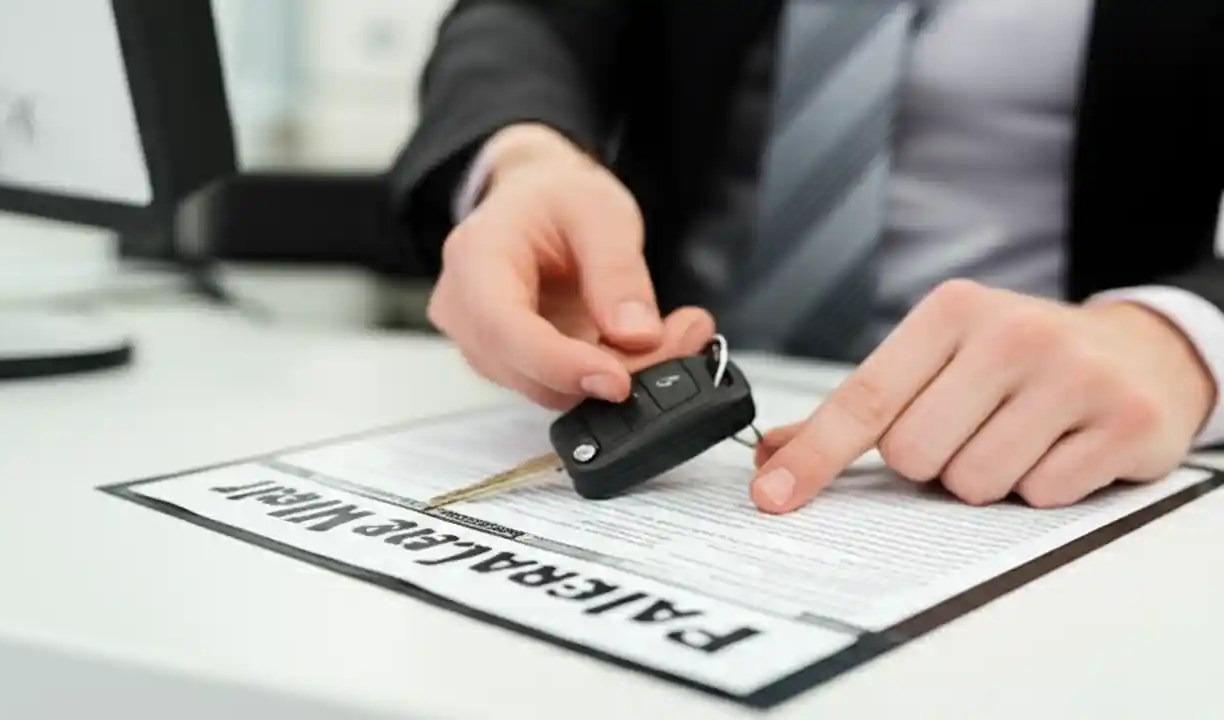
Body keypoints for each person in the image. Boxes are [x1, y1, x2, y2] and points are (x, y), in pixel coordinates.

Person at [387, 0, 1223, 514]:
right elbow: (528, 17)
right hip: (659, 358)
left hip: (1038, 451)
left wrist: (1182, 338)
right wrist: (525, 157)